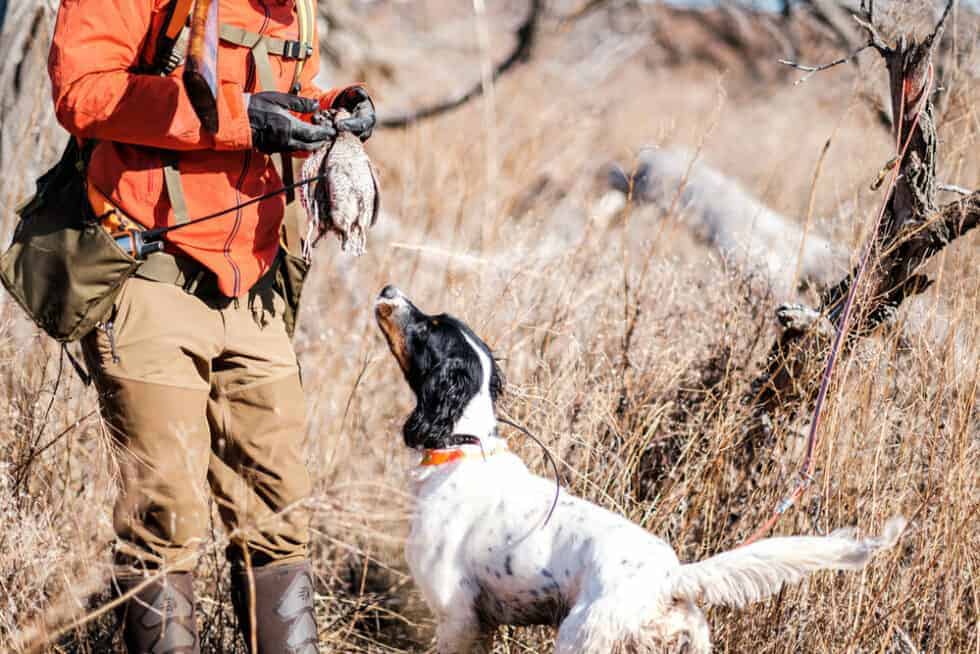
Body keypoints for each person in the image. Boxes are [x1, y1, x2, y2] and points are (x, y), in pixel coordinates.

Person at [47, 1, 375, 652]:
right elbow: (81, 91)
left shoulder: (297, 8)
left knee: (280, 516)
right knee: (164, 518)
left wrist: (336, 108)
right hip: (149, 276)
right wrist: (234, 119)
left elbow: (286, 87)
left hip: (255, 286)